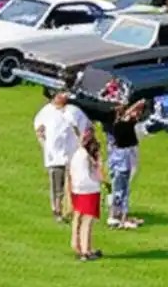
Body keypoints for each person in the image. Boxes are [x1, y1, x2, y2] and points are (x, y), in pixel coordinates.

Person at [33, 92, 91, 223]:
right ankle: (57, 210)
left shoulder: (74, 111)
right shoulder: (46, 112)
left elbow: (86, 128)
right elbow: (39, 132)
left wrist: (83, 140)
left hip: (73, 154)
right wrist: (46, 147)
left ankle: (73, 210)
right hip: (55, 155)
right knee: (57, 185)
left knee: (75, 183)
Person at [106, 99, 149, 229]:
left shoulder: (126, 122)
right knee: (120, 188)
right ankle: (116, 217)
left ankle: (122, 216)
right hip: (122, 157)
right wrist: (136, 105)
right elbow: (125, 117)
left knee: (122, 188)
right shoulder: (117, 125)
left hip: (123, 156)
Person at [69, 130, 105, 261]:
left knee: (78, 217)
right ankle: (85, 250)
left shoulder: (77, 154)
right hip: (89, 190)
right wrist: (98, 164)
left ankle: (78, 245)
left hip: (77, 190)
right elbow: (99, 176)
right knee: (88, 221)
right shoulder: (87, 157)